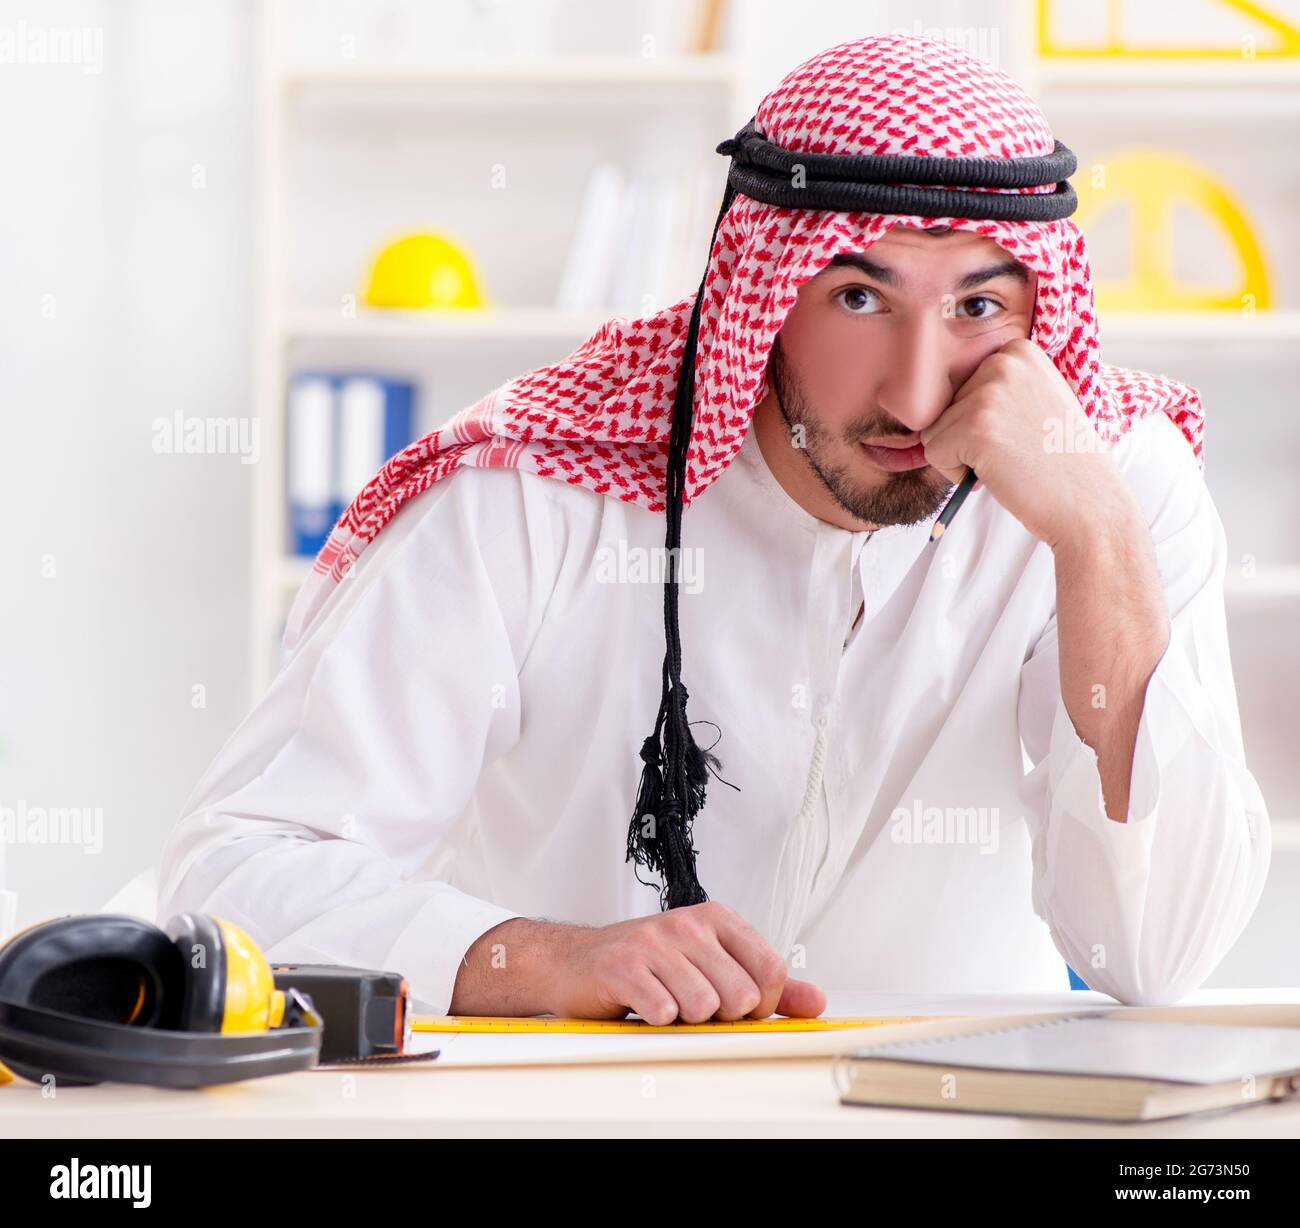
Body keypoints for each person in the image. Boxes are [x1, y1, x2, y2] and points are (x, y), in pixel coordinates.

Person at [157, 35, 1270, 1022]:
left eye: (979, 306)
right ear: (763, 292)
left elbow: (1156, 956)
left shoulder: (1114, 489)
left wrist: (1096, 543)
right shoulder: (531, 493)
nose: (920, 395)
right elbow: (230, 881)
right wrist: (541, 960)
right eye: (858, 299)